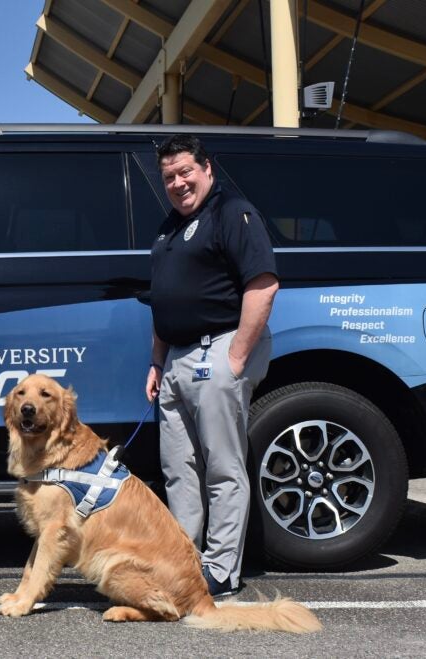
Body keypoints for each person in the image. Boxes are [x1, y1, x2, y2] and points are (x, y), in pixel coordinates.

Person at [144, 135, 278, 598]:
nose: (179, 183)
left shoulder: (232, 212)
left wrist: (235, 358)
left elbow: (262, 284)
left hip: (218, 350)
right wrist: (157, 361)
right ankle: (185, 562)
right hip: (176, 359)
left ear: (206, 169)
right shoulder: (168, 229)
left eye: (185, 172)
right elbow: (164, 300)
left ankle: (221, 571)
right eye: (169, 177)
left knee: (222, 467)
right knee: (179, 469)